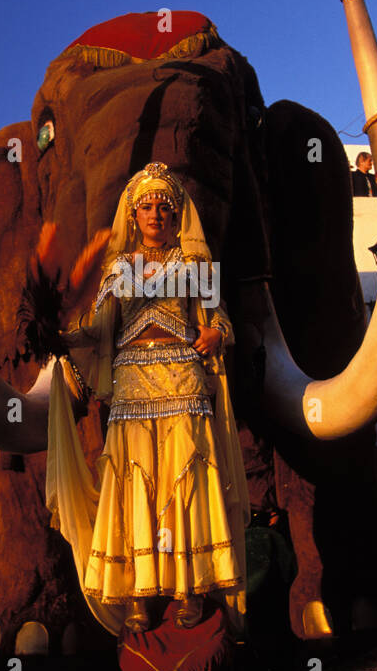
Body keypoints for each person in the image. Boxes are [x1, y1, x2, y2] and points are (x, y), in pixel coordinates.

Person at [46, 161, 249, 635]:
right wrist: (57, 333)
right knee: (135, 482)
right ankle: (139, 590)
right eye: (147, 207)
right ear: (133, 216)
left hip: (184, 379)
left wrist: (216, 336)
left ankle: (188, 588)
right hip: (132, 382)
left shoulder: (196, 264)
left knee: (187, 481)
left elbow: (221, 319)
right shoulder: (117, 267)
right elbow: (98, 327)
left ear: (176, 215)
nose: (156, 215)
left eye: (164, 207)